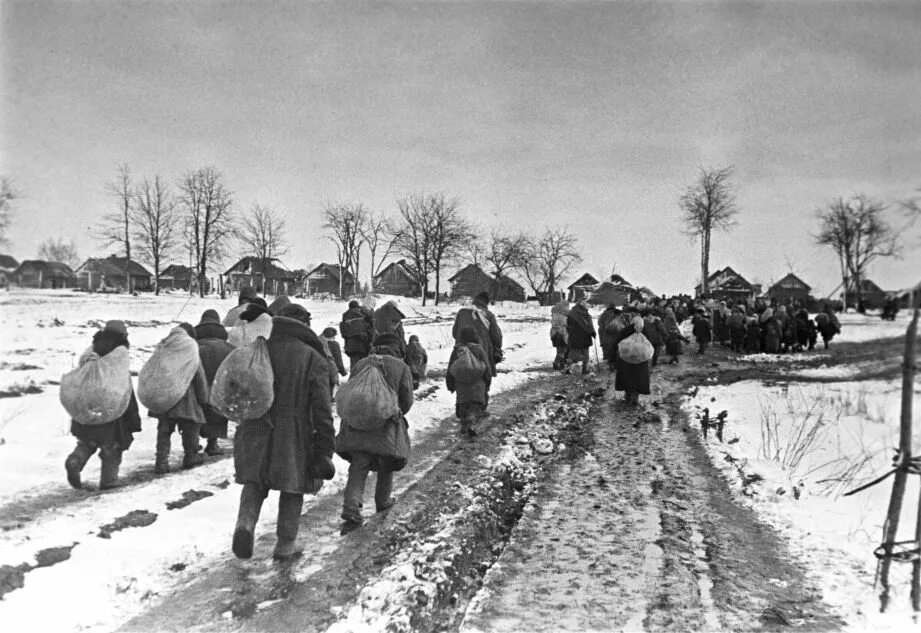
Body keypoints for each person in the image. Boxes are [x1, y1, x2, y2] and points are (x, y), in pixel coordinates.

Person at [232, 303, 335, 560]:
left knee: (255, 481)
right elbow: (322, 408)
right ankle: (285, 544)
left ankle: (245, 524)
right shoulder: (312, 357)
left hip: (255, 424)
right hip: (294, 431)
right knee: (293, 486)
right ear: (304, 325)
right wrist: (325, 447)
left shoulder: (257, 348)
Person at [336, 333, 414, 529]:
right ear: (396, 348)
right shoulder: (400, 366)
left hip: (357, 422)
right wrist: (395, 414)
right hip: (385, 426)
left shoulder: (362, 363)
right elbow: (407, 399)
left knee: (358, 465)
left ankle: (351, 506)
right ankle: (383, 501)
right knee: (386, 463)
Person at [64, 320, 141, 490]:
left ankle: (75, 460)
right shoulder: (120, 353)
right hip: (111, 406)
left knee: (86, 441)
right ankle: (109, 480)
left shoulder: (91, 349)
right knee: (112, 446)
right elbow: (123, 384)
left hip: (88, 404)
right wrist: (132, 415)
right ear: (122, 335)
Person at [150, 324, 210, 473]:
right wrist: (204, 398)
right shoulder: (190, 347)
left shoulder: (163, 345)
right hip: (185, 397)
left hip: (165, 396)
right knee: (191, 427)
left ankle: (161, 461)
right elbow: (198, 374)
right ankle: (191, 456)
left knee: (164, 429)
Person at [195, 310, 235, 456]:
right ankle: (212, 444)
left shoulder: (194, 347)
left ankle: (193, 444)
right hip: (219, 388)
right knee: (217, 413)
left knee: (197, 412)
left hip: (198, 388)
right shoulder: (229, 348)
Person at [452, 292, 503, 400]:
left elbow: (454, 332)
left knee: (461, 374)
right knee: (483, 375)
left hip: (461, 349)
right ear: (486, 303)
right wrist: (498, 348)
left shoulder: (461, 313)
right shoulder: (488, 315)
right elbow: (496, 336)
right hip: (481, 350)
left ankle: (462, 402)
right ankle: (480, 403)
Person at [446, 327, 492, 436]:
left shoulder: (457, 350)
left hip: (461, 386)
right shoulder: (479, 349)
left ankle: (464, 425)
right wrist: (487, 383)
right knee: (475, 407)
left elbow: (450, 369)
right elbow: (487, 369)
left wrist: (450, 384)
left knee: (463, 406)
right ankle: (471, 422)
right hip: (478, 385)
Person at [613, 315, 651, 405]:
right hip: (640, 362)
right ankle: (635, 398)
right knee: (639, 380)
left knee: (627, 379)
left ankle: (628, 397)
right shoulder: (644, 331)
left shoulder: (625, 331)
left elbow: (616, 344)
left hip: (626, 361)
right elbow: (650, 344)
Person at [340, 299, 375, 371]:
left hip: (351, 345)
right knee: (364, 365)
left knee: (354, 365)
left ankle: (353, 379)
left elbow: (344, 334)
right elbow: (371, 330)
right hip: (364, 343)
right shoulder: (364, 315)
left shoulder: (345, 317)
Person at [565, 300, 596, 374]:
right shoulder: (586, 314)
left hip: (573, 336)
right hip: (585, 337)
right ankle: (585, 369)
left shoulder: (570, 313)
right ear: (584, 306)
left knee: (572, 353)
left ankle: (567, 368)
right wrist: (593, 333)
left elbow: (566, 325)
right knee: (585, 353)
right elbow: (590, 326)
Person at [320, 327, 348, 398]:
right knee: (331, 382)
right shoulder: (335, 345)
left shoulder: (317, 342)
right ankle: (330, 396)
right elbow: (338, 359)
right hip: (331, 369)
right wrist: (342, 371)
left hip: (319, 369)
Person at [550, 300, 571, 370]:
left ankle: (560, 364)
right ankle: (558, 363)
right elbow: (568, 323)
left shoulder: (554, 312)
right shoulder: (566, 313)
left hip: (553, 332)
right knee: (564, 349)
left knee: (559, 349)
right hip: (562, 332)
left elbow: (552, 321)